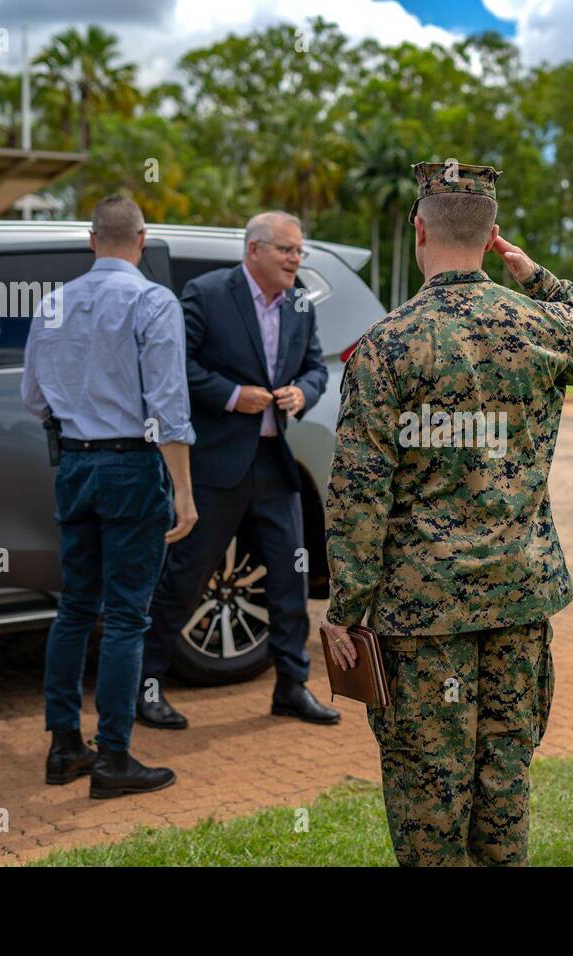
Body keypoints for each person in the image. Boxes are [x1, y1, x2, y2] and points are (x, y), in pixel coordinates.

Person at [322, 161, 573, 866]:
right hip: (517, 602)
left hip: (419, 613)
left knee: (428, 796)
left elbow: (358, 494)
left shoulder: (383, 347)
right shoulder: (540, 324)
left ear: (419, 229)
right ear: (493, 234)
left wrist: (345, 606)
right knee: (504, 782)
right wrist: (537, 277)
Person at [21, 194, 197, 799]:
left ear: (92, 239)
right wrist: (185, 492)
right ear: (141, 240)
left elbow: (33, 400)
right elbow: (170, 408)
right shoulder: (153, 300)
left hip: (74, 463)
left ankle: (64, 745)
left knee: (74, 608)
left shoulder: (51, 302)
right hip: (130, 464)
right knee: (126, 616)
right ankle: (114, 757)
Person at [140, 211, 336, 728]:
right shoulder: (206, 294)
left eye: (299, 251)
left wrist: (304, 392)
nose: (297, 259)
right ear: (254, 251)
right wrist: (231, 396)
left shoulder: (298, 303)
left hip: (276, 467)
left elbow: (316, 366)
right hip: (215, 465)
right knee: (185, 577)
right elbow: (177, 365)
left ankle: (292, 688)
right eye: (287, 250)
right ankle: (147, 686)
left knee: (291, 581)